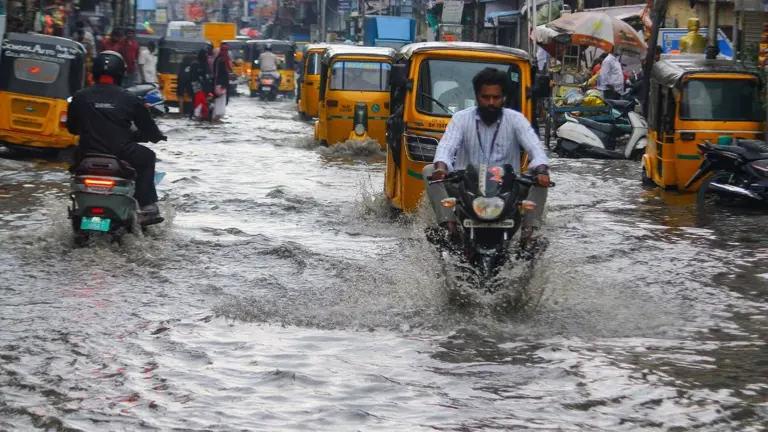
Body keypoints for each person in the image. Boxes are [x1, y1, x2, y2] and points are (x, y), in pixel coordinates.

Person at [422, 68, 551, 250]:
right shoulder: (460, 119)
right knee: (428, 170)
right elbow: (446, 147)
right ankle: (449, 229)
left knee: (541, 181)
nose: (491, 103)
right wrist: (441, 168)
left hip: (507, 189)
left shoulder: (516, 119)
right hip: (466, 188)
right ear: (477, 96)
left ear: (503, 98)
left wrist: (542, 171)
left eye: (496, 98)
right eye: (485, 97)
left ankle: (528, 236)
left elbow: (535, 148)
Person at [66, 51, 167, 218]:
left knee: (73, 164)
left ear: (95, 72)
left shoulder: (79, 97)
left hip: (86, 153)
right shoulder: (130, 98)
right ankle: (147, 204)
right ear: (121, 74)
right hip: (121, 152)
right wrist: (156, 137)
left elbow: (72, 128)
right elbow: (148, 128)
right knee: (148, 157)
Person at [211, 44, 231, 120]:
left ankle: (215, 116)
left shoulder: (217, 59)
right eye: (224, 50)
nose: (225, 52)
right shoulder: (223, 60)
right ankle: (217, 118)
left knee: (217, 101)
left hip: (216, 83)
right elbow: (223, 74)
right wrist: (224, 84)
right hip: (221, 84)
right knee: (221, 101)